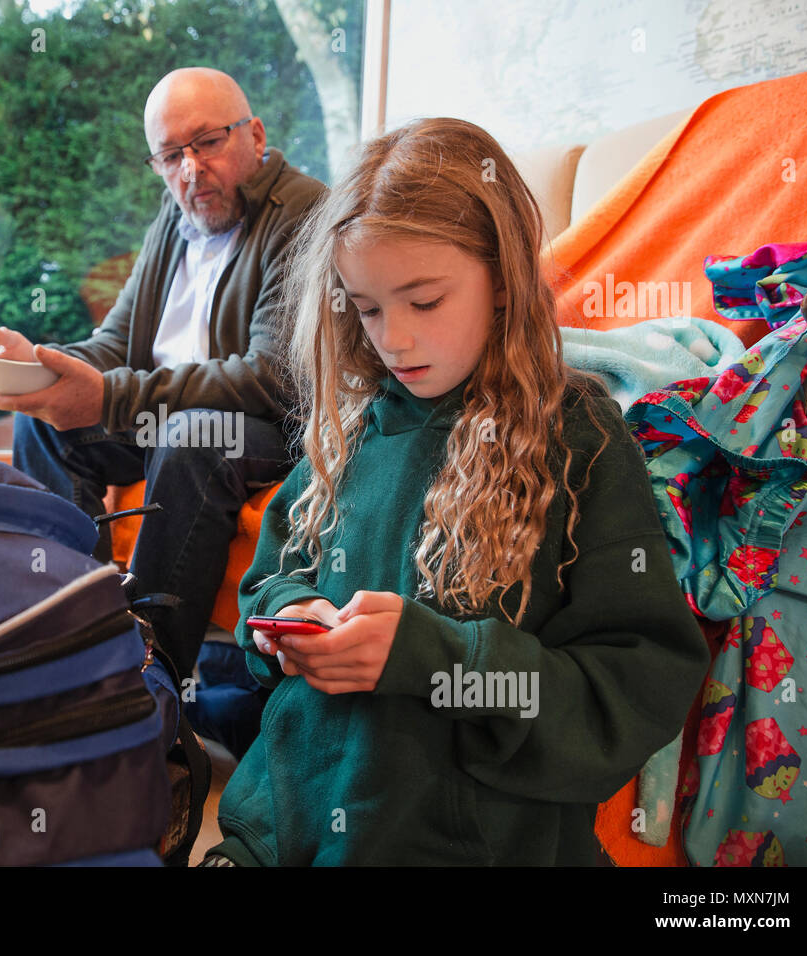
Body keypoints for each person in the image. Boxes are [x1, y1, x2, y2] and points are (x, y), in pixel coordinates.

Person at [203, 118, 709, 866]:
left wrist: (437, 659)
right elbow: (270, 581)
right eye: (367, 307)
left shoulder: (579, 437)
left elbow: (632, 691)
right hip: (278, 833)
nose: (392, 339)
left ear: (501, 280)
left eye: (425, 301)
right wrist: (289, 619)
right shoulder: (348, 429)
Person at [0, 68, 326, 686]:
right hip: (170, 416)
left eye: (207, 142)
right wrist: (44, 368)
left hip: (269, 428)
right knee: (44, 425)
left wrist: (110, 396)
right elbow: (117, 343)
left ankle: (142, 678)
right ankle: (73, 629)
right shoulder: (177, 216)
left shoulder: (303, 211)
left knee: (193, 434)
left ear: (255, 134)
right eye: (170, 155)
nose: (190, 170)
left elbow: (273, 376)